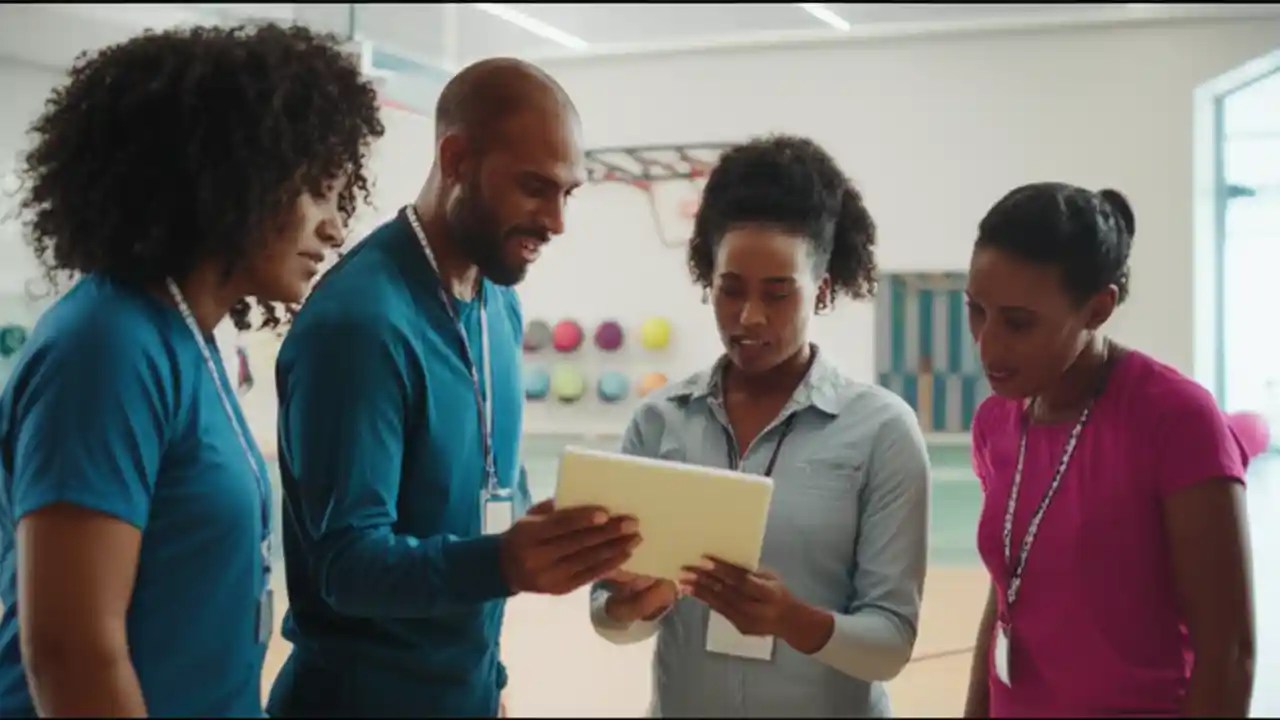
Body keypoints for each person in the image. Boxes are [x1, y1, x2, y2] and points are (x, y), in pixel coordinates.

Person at [0, 24, 384, 717]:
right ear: (239, 177)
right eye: (318, 191)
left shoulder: (188, 340)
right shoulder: (106, 347)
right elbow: (70, 651)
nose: (333, 227)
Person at [266, 57, 640, 718]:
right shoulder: (363, 325)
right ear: (457, 158)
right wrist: (502, 564)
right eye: (535, 187)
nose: (556, 221)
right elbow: (347, 567)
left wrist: (579, 548)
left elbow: (495, 500)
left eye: (567, 193)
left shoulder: (497, 302)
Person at [588, 135, 932, 717]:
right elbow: (608, 617)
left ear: (821, 291)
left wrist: (792, 621)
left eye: (778, 294)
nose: (750, 317)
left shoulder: (881, 433)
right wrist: (633, 606)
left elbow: (891, 645)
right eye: (730, 290)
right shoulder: (659, 422)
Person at [961, 183, 1256, 717]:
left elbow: (1229, 653)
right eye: (976, 310)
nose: (987, 343)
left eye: (1018, 322)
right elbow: (1009, 591)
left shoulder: (1177, 420)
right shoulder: (995, 423)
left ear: (1098, 309)